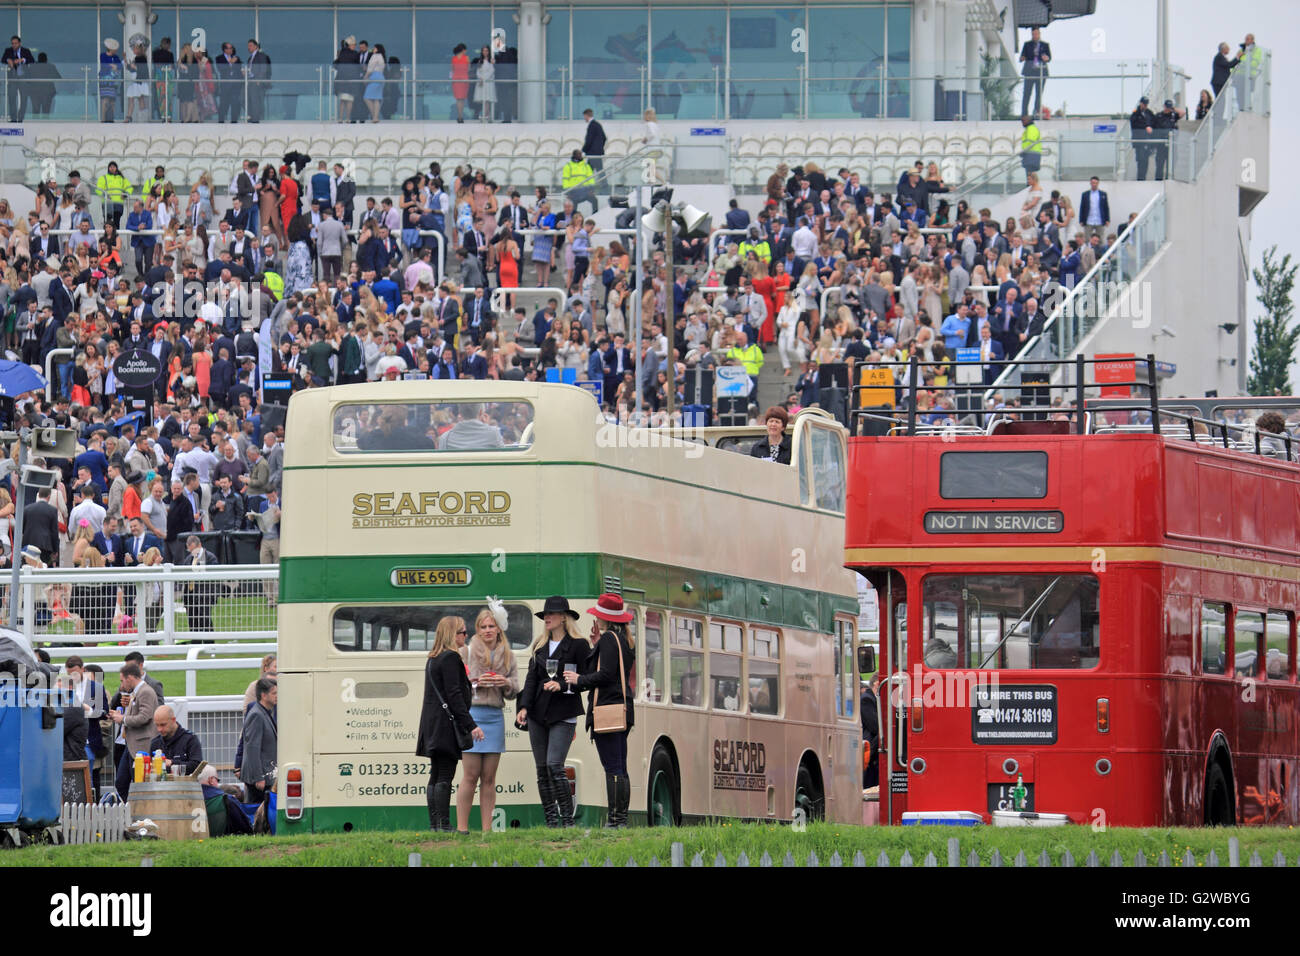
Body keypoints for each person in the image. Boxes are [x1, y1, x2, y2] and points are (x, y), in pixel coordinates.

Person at [515, 595, 588, 828]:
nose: (547, 617)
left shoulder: (579, 645)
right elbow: (531, 680)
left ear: (564, 618)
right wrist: (524, 707)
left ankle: (567, 820)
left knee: (555, 765)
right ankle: (551, 821)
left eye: (552, 614)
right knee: (542, 769)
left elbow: (586, 680)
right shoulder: (539, 646)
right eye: (545, 614)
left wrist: (564, 685)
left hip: (563, 713)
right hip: (537, 713)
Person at [565, 593, 635, 827]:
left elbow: (605, 675)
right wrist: (596, 644)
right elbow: (613, 671)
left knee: (612, 766)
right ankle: (620, 819)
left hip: (607, 709)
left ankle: (615, 821)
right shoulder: (623, 640)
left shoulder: (609, 639)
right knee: (620, 766)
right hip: (621, 708)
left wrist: (579, 679)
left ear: (604, 618)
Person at [456, 602, 520, 833]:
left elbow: (515, 690)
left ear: (499, 628)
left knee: (489, 778)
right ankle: (462, 829)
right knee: (470, 775)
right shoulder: (467, 651)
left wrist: (505, 683)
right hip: (472, 715)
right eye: (482, 626)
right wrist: (474, 682)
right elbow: (456, 684)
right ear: (477, 629)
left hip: (495, 715)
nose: (487, 630)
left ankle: (487, 831)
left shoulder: (509, 655)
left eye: (491, 626)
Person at [415, 616, 482, 831]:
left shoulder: (433, 659)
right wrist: (472, 725)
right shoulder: (452, 658)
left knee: (435, 774)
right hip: (446, 725)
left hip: (432, 723)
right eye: (463, 632)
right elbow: (454, 696)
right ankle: (444, 824)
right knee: (445, 774)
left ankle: (435, 824)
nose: (466, 635)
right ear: (453, 634)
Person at [111, 661, 159, 798]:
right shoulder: (137, 692)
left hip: (141, 746)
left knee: (139, 783)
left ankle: (138, 813)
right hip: (131, 745)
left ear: (130, 678)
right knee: (121, 782)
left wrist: (123, 719)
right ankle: (130, 811)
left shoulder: (145, 692)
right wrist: (119, 715)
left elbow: (145, 717)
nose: (121, 685)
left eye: (122, 680)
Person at [241, 675, 277, 804]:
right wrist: (258, 777)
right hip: (259, 780)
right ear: (263, 695)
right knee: (257, 814)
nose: (277, 696)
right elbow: (252, 748)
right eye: (274, 693)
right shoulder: (257, 715)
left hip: (264, 776)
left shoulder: (265, 712)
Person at [147, 704, 204, 775]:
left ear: (173, 720)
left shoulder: (190, 740)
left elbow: (197, 766)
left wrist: (172, 763)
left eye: (163, 725)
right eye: (157, 725)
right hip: (160, 785)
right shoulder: (155, 743)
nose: (159, 729)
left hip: (185, 785)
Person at [438, 402, 504, 450]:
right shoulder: (494, 433)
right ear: (481, 412)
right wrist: (486, 426)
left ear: (460, 413)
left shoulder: (445, 438)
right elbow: (503, 459)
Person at [1019, 27, 1050, 118]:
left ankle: (1036, 112)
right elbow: (1022, 57)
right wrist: (1022, 58)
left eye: (1036, 34)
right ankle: (1024, 113)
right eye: (1033, 34)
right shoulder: (1027, 44)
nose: (1035, 36)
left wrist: (1046, 58)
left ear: (1039, 34)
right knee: (1027, 93)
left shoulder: (1045, 45)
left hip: (1041, 72)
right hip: (1029, 72)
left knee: (1039, 94)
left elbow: (1049, 58)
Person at [1130, 96, 1156, 181]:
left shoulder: (1149, 113)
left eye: (1146, 104)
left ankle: (1144, 177)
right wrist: (1145, 127)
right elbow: (1134, 125)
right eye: (1144, 104)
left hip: (1148, 140)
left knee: (1146, 161)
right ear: (1140, 103)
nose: (1145, 106)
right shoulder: (1135, 113)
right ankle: (1140, 178)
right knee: (1140, 160)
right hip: (1139, 141)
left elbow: (1154, 123)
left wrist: (1151, 128)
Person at [1079, 176, 1109, 243]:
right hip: (1089, 219)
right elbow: (1082, 207)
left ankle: (1100, 253)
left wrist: (1107, 219)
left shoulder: (1103, 194)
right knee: (1087, 239)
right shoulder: (1085, 194)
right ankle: (1088, 253)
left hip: (1099, 219)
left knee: (1100, 239)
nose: (1094, 184)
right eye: (1093, 183)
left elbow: (1106, 207)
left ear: (1098, 183)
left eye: (1096, 183)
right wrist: (1081, 220)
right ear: (1090, 183)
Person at [582, 108, 607, 174]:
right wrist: (599, 147)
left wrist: (583, 150)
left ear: (586, 116)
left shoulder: (591, 125)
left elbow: (589, 140)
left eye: (584, 116)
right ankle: (588, 184)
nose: (584, 118)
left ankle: (604, 184)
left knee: (599, 171)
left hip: (593, 153)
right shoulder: (598, 125)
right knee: (590, 170)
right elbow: (604, 138)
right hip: (596, 152)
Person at [450, 43, 470, 123]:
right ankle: (460, 116)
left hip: (456, 79)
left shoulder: (453, 58)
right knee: (462, 99)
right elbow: (469, 68)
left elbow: (452, 69)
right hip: (464, 79)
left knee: (458, 99)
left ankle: (460, 116)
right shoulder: (466, 58)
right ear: (463, 50)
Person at [1019, 115, 1041, 181]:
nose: (1022, 123)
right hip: (1029, 153)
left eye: (1023, 121)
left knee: (1030, 173)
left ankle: (1031, 186)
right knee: (1029, 173)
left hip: (1032, 153)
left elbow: (1030, 142)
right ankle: (1030, 185)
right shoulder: (1029, 129)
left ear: (1028, 120)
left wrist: (1023, 151)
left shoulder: (1031, 128)